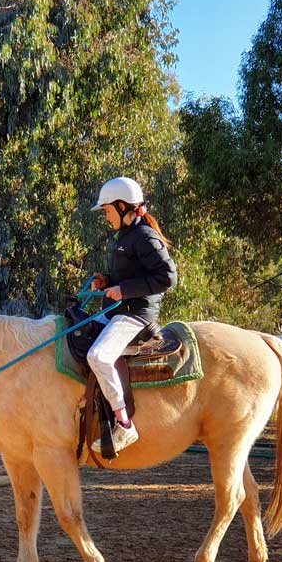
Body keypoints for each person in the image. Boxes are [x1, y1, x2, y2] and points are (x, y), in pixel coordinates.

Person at [87, 176, 177, 455]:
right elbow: (131, 273)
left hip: (136, 316)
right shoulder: (126, 236)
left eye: (107, 210)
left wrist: (123, 290)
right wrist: (107, 281)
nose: (106, 217)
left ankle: (124, 426)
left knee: (98, 357)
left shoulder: (145, 236)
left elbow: (168, 277)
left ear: (122, 206)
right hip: (119, 311)